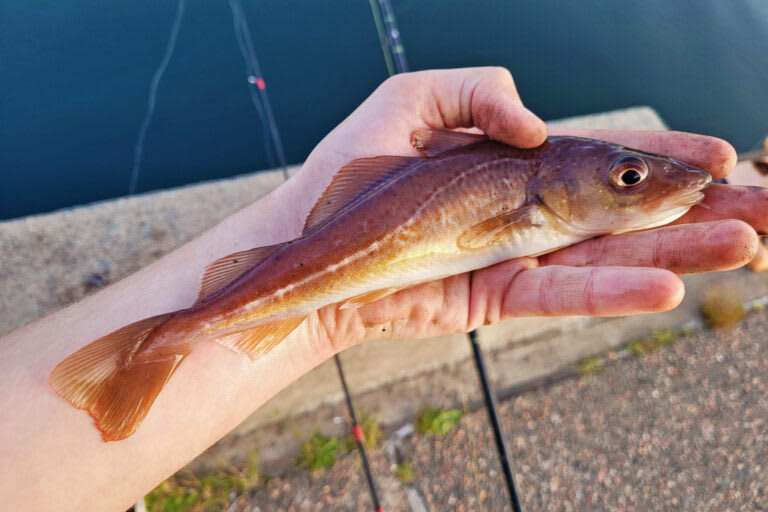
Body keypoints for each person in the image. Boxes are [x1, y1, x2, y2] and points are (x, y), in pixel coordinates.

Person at [0, 67, 765, 511]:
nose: (641, 186)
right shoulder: (526, 195)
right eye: (627, 179)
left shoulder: (552, 205)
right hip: (333, 262)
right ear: (547, 191)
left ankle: (152, 346)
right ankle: (151, 345)